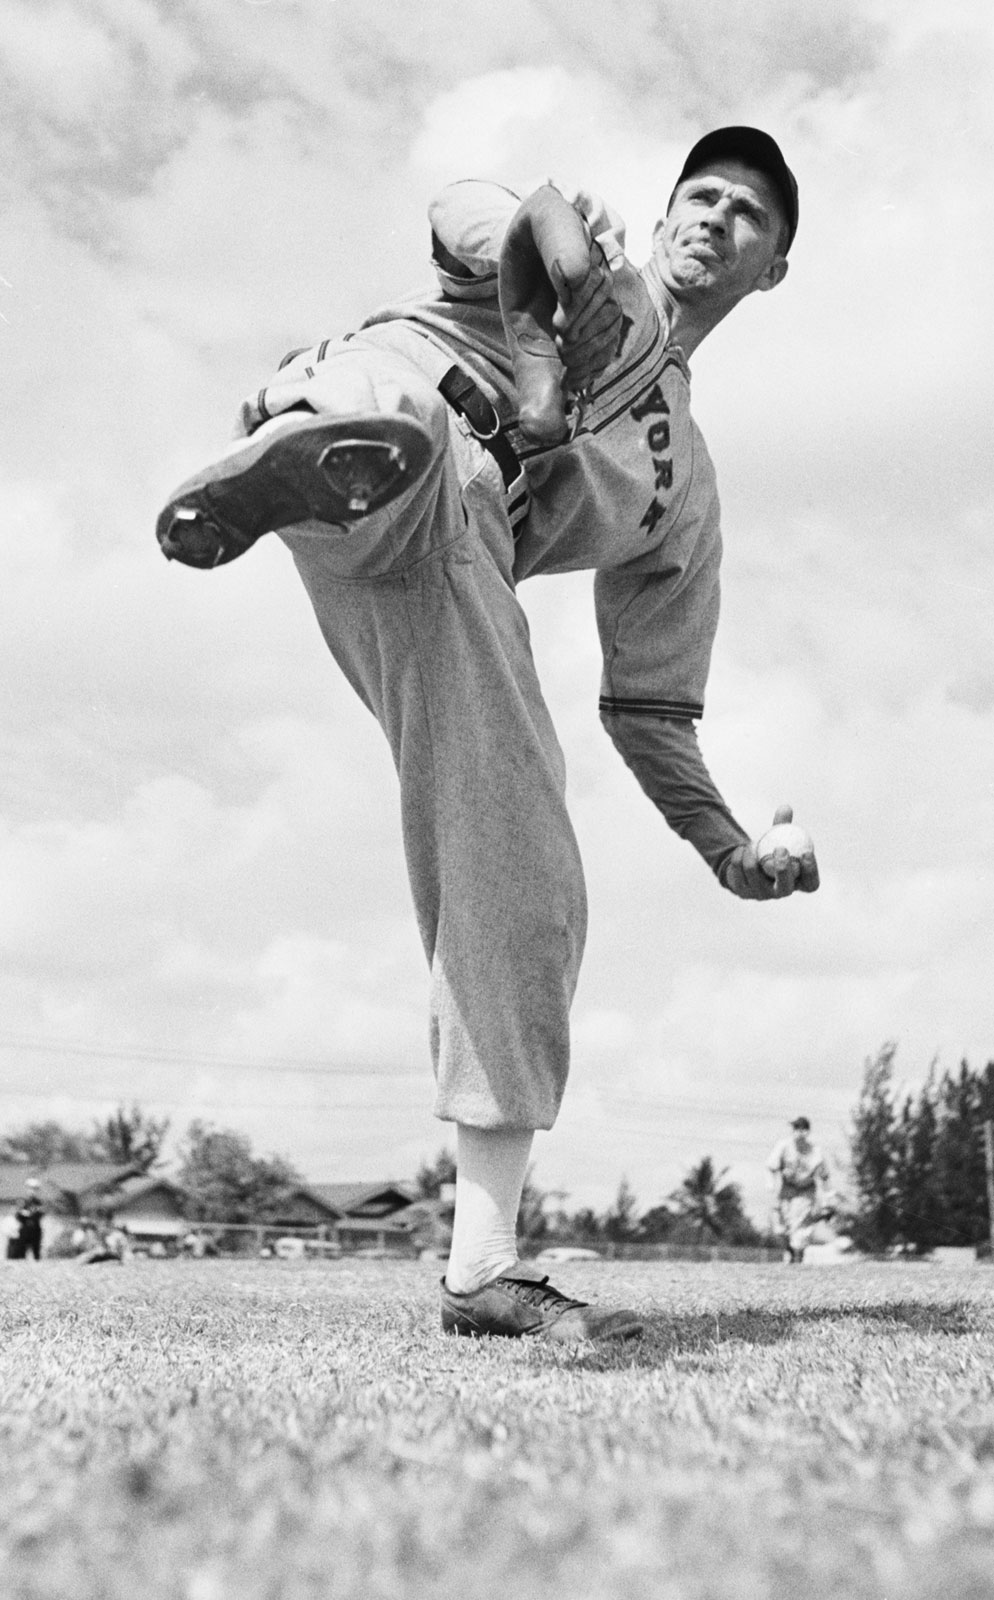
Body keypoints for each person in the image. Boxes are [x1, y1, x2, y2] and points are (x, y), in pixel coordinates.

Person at [156, 126, 820, 1343]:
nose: (717, 217)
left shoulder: (684, 491)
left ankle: (482, 1268)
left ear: (771, 268)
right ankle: (305, 445)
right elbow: (464, 208)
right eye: (704, 193)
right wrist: (545, 255)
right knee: (404, 418)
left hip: (460, 560)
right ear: (667, 209)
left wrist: (730, 849)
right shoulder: (591, 256)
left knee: (526, 861)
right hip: (403, 416)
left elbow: (652, 709)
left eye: (750, 215)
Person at [766, 1116, 832, 1263]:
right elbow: (771, 1166)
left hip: (805, 1191)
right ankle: (790, 1249)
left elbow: (824, 1176)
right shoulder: (784, 1146)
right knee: (780, 1228)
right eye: (796, 1129)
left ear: (807, 1132)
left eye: (802, 1129)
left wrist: (827, 1199)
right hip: (786, 1190)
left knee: (799, 1225)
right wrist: (771, 1183)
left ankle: (797, 1258)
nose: (798, 1132)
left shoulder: (815, 1151)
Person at [13, 1178, 45, 1261]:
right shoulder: (22, 1201)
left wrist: (29, 1213)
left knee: (36, 1252)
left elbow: (40, 1214)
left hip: (35, 1229)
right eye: (30, 1188)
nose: (32, 1191)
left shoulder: (39, 1202)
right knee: (21, 1252)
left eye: (35, 1189)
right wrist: (27, 1213)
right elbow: (18, 1215)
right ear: (26, 1189)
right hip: (25, 1229)